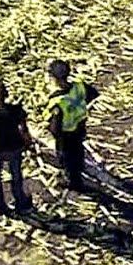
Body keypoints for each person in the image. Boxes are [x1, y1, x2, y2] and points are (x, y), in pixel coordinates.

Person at [0, 80, 34, 215]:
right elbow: (24, 129)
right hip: (14, 146)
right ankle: (20, 201)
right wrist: (28, 143)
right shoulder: (16, 111)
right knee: (16, 174)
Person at [47, 59, 100, 192]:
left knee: (66, 157)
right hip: (80, 126)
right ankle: (80, 165)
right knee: (78, 149)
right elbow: (94, 94)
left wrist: (53, 133)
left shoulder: (58, 101)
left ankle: (73, 181)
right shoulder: (79, 87)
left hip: (66, 134)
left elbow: (55, 127)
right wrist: (79, 106)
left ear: (54, 78)